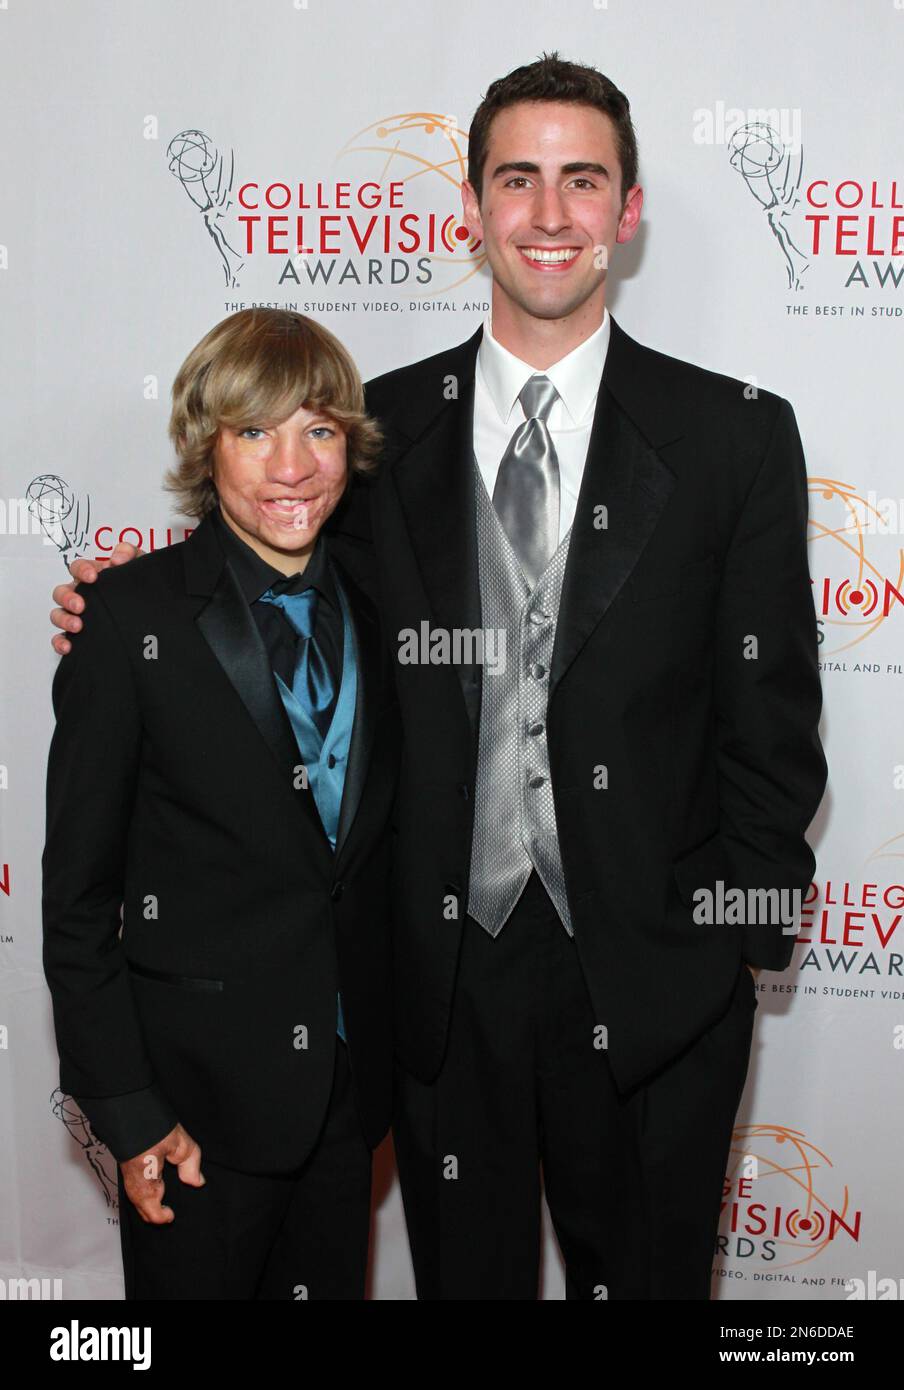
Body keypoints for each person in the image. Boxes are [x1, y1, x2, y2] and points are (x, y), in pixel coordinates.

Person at [50, 53, 828, 1300]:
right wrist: (121, 603)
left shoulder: (734, 435)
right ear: (470, 206)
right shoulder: (375, 431)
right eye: (517, 179)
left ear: (626, 212)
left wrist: (716, 954)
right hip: (435, 983)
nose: (550, 213)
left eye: (584, 181)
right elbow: (265, 583)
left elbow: (774, 729)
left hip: (650, 987)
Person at [43, 307, 399, 1300]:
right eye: (255, 432)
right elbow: (76, 902)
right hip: (190, 1115)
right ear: (207, 447)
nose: (291, 465)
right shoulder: (130, 617)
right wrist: (129, 1110)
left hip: (343, 1098)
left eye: (317, 429)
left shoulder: (381, 612)